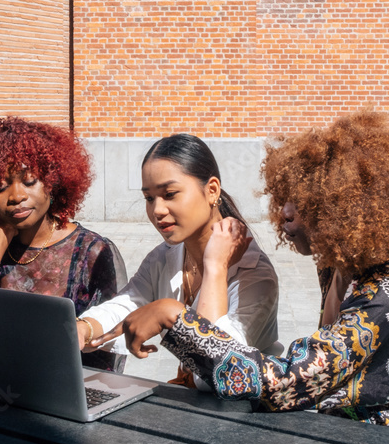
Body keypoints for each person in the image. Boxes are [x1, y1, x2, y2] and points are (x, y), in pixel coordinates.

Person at [107, 110, 389, 442]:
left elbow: (282, 385)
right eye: (284, 197)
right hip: (363, 438)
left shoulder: (385, 295)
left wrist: (174, 315)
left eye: (304, 204)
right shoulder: (334, 267)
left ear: (343, 212)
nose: (284, 213)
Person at [0, 117, 127, 372]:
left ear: (53, 183)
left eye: (29, 182)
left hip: (58, 385)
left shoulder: (91, 252)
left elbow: (102, 345)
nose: (17, 196)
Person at [77, 133, 281, 387]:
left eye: (170, 194)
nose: (157, 210)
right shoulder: (163, 257)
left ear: (212, 190)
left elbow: (213, 370)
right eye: (149, 198)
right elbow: (127, 303)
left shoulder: (256, 275)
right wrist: (84, 328)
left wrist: (215, 268)